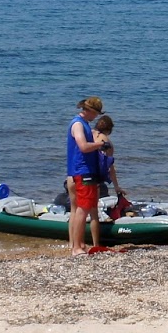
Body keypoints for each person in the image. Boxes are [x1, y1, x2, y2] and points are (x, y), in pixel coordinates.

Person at [66, 96, 111, 256]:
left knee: (83, 208)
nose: (96, 117)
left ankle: (80, 244)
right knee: (82, 209)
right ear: (90, 110)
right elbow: (83, 146)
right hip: (82, 171)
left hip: (87, 170)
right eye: (96, 114)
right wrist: (100, 144)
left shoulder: (84, 124)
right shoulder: (78, 124)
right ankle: (76, 247)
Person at [93, 115, 130, 222]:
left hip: (78, 175)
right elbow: (110, 167)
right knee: (103, 191)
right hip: (95, 179)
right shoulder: (107, 142)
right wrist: (116, 187)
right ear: (109, 129)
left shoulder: (87, 134)